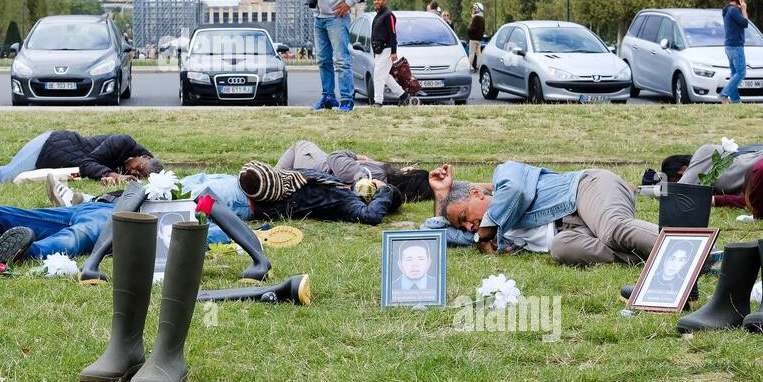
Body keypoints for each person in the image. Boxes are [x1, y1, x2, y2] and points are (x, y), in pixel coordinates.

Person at [430, 161, 657, 266]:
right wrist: (441, 193)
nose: (469, 227)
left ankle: (686, 245)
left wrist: (487, 230)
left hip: (584, 191)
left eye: (464, 218)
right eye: (463, 227)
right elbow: (431, 230)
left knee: (612, 230)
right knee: (561, 248)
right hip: (572, 232)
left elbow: (517, 189)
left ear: (475, 193)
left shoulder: (504, 174)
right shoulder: (482, 233)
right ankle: (653, 258)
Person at [0, 130, 161, 184]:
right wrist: (112, 174)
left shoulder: (136, 165)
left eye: (138, 175)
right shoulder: (122, 142)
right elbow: (86, 164)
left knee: (7, 172)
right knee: (7, 174)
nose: (133, 172)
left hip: (59, 154)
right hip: (51, 145)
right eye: (138, 168)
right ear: (142, 156)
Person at [238, 160, 403, 225]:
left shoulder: (347, 201)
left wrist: (383, 190)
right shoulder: (340, 184)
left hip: (246, 201)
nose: (367, 182)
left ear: (372, 198)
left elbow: (371, 216)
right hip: (237, 183)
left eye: (372, 187)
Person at [273, 140, 433, 202]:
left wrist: (356, 156)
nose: (409, 167)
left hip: (316, 167)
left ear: (408, 175)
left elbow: (335, 158)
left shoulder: (372, 176)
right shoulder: (390, 189)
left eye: (412, 169)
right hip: (323, 170)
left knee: (300, 144)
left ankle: (271, 181)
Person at [369, 0, 407, 107]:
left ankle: (378, 101)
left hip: (387, 49)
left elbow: (393, 34)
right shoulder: (378, 15)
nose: (376, 2)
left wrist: (394, 52)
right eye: (375, 0)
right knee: (384, 76)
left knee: (378, 75)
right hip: (379, 51)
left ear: (384, 1)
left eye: (378, 0)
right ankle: (403, 95)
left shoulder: (388, 15)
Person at [720, 0, 749, 104]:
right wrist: (744, 9)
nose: (743, 0)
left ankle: (736, 101)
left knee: (734, 73)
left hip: (729, 46)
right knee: (741, 73)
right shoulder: (734, 10)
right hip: (736, 46)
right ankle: (723, 94)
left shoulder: (727, 9)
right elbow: (745, 23)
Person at [467, 3, 486, 71]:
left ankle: (468, 67)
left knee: (471, 53)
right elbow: (483, 29)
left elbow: (472, 29)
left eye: (475, 8)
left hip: (473, 38)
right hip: (479, 39)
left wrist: (468, 29)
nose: (474, 9)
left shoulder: (475, 18)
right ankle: (478, 66)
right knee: (478, 53)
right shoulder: (482, 18)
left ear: (478, 9)